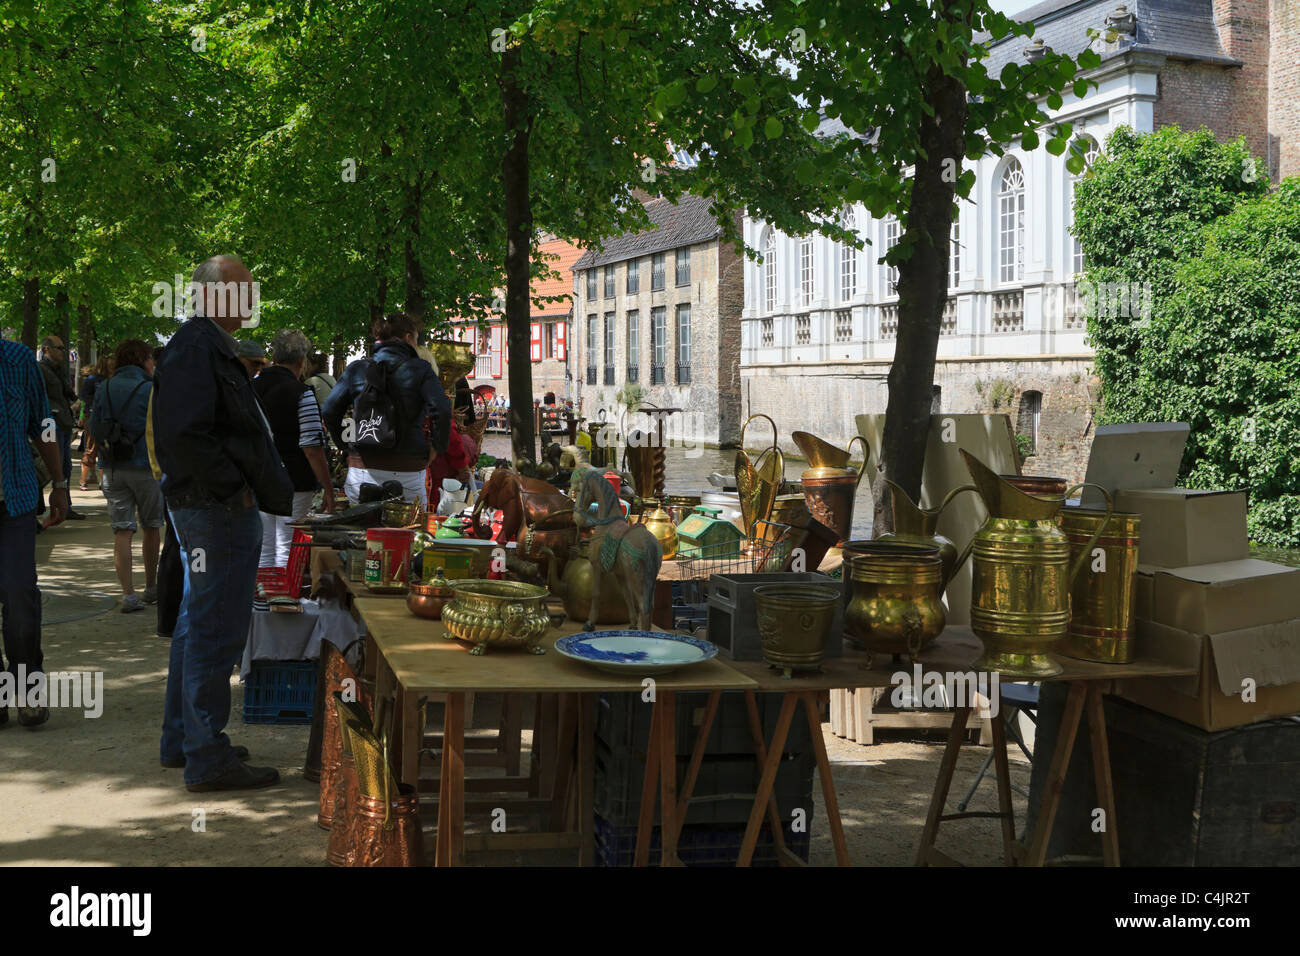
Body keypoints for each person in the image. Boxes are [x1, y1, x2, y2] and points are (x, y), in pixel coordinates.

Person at [153, 254, 292, 792]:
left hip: (212, 507)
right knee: (214, 630)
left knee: (198, 625)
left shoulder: (205, 345)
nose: (252, 300)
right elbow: (186, 437)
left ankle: (186, 739)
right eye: (244, 290)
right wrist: (232, 491)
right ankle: (206, 755)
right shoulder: (196, 347)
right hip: (215, 511)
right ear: (212, 294)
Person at [0, 336, 68, 728]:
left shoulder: (18, 359)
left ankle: (27, 689)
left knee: (20, 595)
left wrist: (59, 484)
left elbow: (43, 422)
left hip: (16, 498)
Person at [323, 313, 450, 506]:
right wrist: (436, 446)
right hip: (409, 467)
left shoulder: (357, 368)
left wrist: (345, 444)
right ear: (408, 338)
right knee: (409, 532)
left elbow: (330, 410)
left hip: (362, 467)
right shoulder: (421, 369)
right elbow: (441, 408)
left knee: (361, 533)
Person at [90, 339, 164, 613]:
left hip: (113, 467)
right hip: (147, 467)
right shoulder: (151, 389)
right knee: (152, 526)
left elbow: (95, 426)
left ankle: (128, 595)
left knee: (122, 530)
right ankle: (151, 587)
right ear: (143, 359)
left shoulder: (104, 387)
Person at [254, 329, 336, 567]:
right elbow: (312, 447)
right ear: (302, 360)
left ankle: (261, 602)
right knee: (287, 547)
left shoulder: (250, 388)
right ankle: (282, 599)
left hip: (257, 476)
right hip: (294, 479)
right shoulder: (302, 393)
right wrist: (328, 489)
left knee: (264, 545)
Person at [144, 349, 183, 641]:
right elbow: (152, 433)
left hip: (175, 477)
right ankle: (169, 621)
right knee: (176, 549)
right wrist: (162, 474)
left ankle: (168, 622)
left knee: (174, 549)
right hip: (179, 480)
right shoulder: (167, 388)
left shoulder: (164, 385)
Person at [38, 335, 86, 520]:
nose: (63, 352)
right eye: (60, 348)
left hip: (62, 424)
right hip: (51, 424)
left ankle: (65, 505)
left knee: (64, 466)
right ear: (47, 349)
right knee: (50, 466)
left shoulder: (57, 370)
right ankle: (41, 506)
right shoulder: (41, 370)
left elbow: (66, 393)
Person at [78, 357, 108, 490]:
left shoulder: (109, 380)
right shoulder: (92, 380)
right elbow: (83, 397)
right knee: (91, 447)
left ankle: (100, 480)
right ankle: (84, 480)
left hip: (103, 417)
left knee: (102, 448)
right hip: (93, 416)